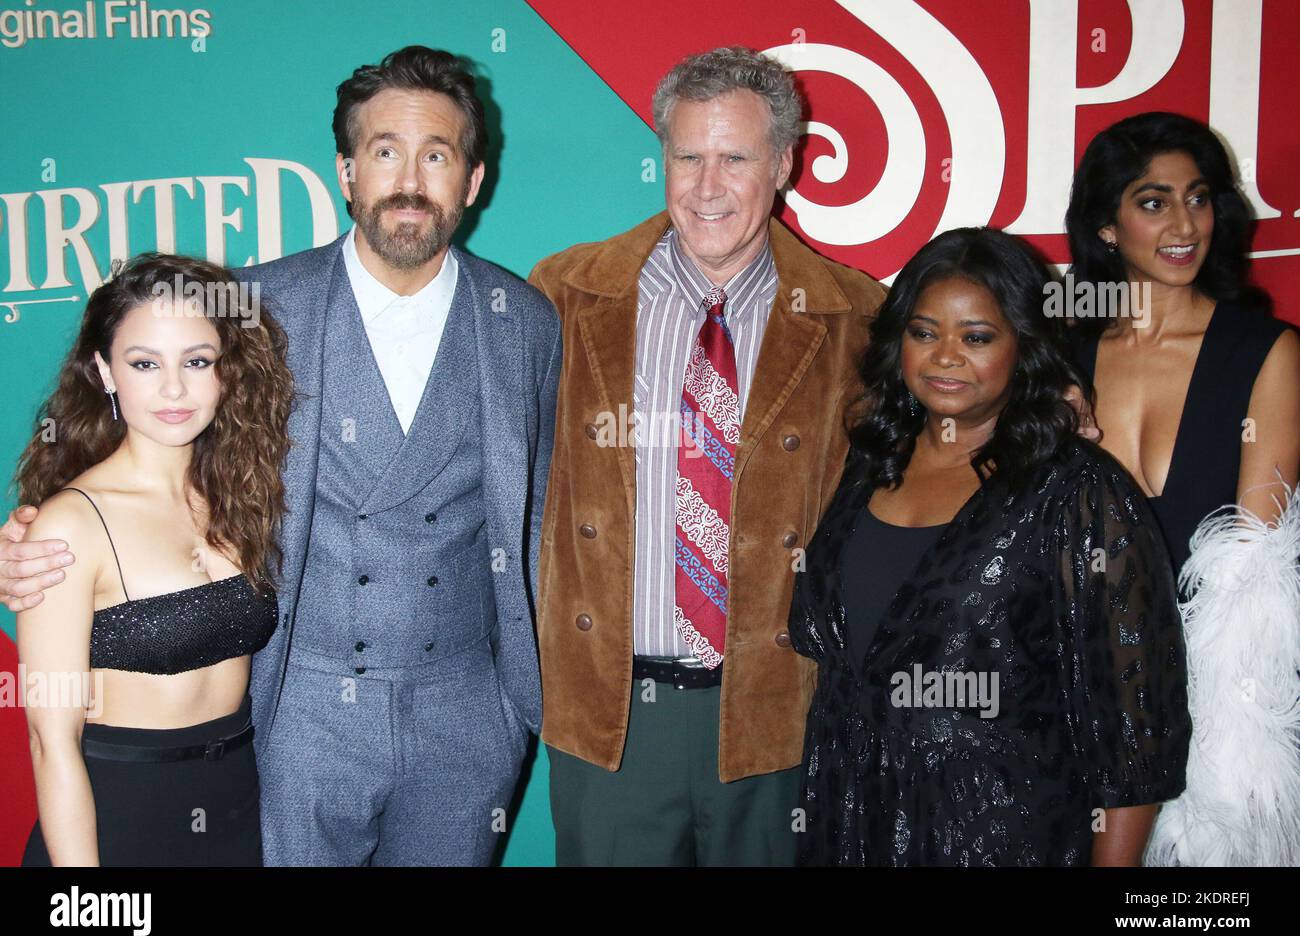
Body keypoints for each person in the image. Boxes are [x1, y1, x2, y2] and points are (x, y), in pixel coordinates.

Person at [2, 46, 561, 866]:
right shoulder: (249, 307)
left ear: (472, 181)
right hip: (301, 711)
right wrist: (31, 538)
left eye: (436, 154)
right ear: (345, 171)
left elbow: (541, 510)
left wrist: (513, 709)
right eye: (383, 152)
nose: (410, 178)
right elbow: (148, 437)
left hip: (465, 717)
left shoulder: (525, 320)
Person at [528, 46, 886, 865]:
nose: (706, 185)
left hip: (777, 712)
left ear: (785, 164)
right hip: (611, 713)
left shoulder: (855, 317)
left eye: (735, 158)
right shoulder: (565, 294)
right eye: (687, 156)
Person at [789, 227, 1191, 866]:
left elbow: (1133, 732)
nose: (945, 357)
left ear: (1023, 347)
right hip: (847, 823)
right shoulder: (870, 461)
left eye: (976, 338)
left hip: (1000, 837)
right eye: (924, 333)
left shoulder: (1078, 491)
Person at [1064, 111, 1300, 866]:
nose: (1184, 224)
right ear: (1107, 225)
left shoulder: (1265, 351)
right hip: (1067, 697)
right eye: (1154, 200)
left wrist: (1162, 726)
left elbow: (1254, 581)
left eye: (1198, 198)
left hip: (1215, 722)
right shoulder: (1056, 353)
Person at [15, 253, 292, 865]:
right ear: (105, 371)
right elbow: (50, 740)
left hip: (236, 806)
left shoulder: (243, 493)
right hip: (118, 819)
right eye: (144, 363)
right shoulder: (69, 523)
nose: (174, 388)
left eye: (197, 361)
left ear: (227, 372)